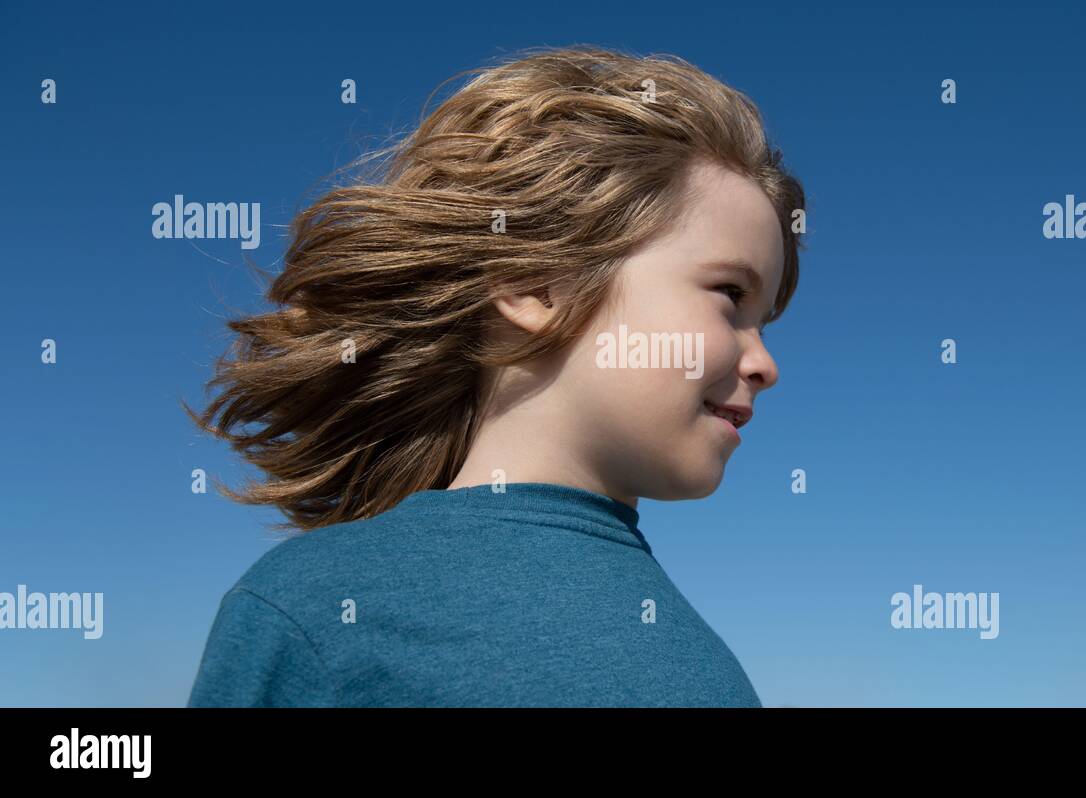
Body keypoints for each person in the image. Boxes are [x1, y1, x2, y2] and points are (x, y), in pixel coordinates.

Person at [184, 44, 806, 707]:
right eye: (731, 296)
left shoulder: (713, 676)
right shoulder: (313, 611)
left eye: (764, 323)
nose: (764, 364)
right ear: (536, 286)